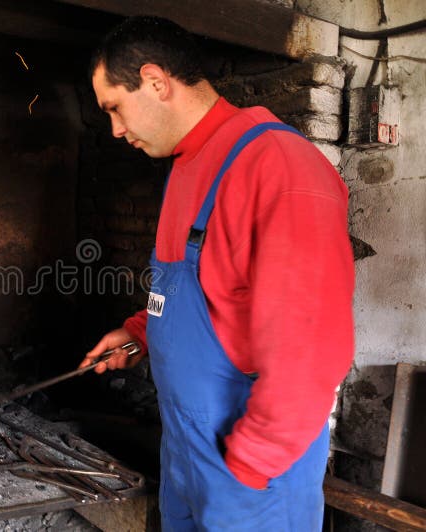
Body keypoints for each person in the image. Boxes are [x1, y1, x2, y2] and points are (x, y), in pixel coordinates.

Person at [80, 16, 354, 531]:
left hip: (250, 472)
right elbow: (206, 290)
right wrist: (140, 333)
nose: (115, 129)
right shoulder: (188, 164)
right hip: (187, 452)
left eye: (114, 107)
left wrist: (248, 469)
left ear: (157, 82)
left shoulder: (278, 168)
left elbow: (312, 347)